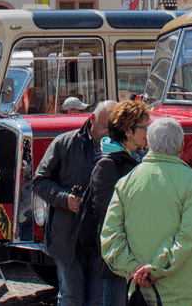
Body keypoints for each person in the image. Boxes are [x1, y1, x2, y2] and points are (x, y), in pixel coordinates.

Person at [100, 117, 192, 306]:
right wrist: (154, 268)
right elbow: (189, 237)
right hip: (185, 292)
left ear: (148, 143)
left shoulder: (126, 182)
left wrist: (134, 269)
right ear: (182, 145)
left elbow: (110, 236)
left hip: (141, 291)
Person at [32, 100, 116, 306]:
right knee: (72, 298)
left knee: (98, 300)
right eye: (106, 126)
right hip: (69, 236)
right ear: (92, 119)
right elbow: (39, 181)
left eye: (114, 127)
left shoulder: (118, 148)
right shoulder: (64, 143)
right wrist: (65, 199)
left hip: (102, 239)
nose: (109, 132)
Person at [77, 100, 151, 306]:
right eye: (144, 127)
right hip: (118, 255)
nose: (148, 131)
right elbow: (108, 210)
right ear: (128, 131)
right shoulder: (108, 164)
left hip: (136, 251)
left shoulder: (138, 158)